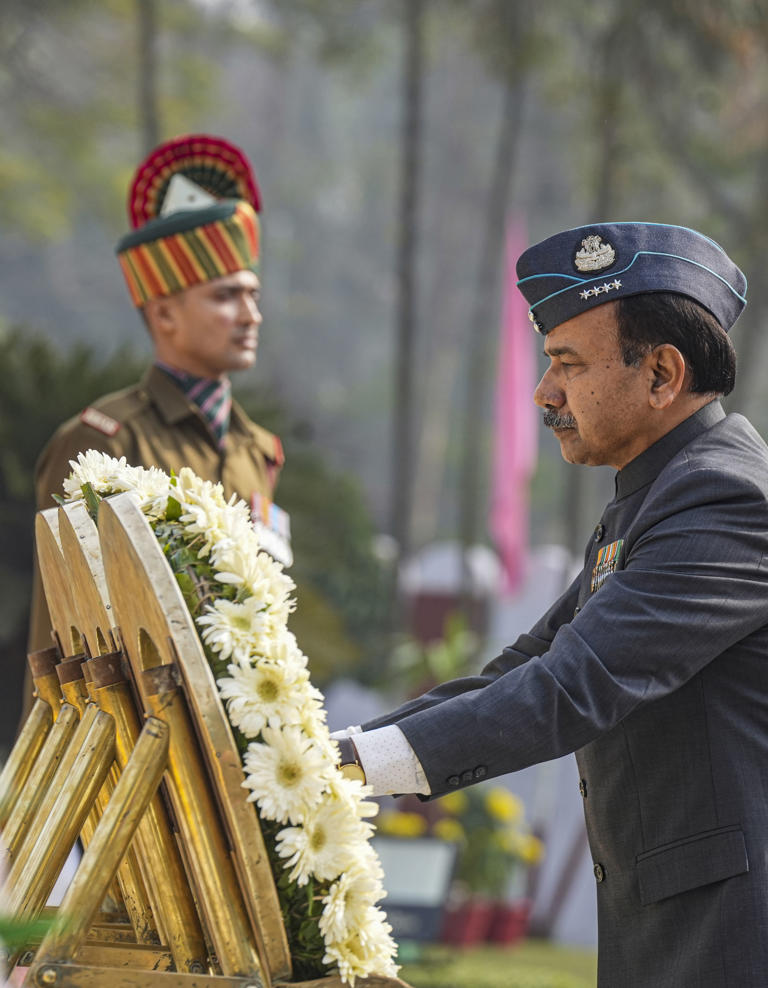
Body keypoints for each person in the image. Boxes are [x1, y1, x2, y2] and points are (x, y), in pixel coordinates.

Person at [335, 222, 768, 987]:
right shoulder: (655, 496)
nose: (546, 393)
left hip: (728, 942)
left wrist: (344, 769)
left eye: (567, 364)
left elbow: (567, 687)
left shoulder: (721, 499)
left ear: (662, 374)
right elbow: (521, 668)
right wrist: (328, 751)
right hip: (674, 931)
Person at [29, 134, 286, 657]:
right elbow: (63, 634)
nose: (250, 315)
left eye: (253, 295)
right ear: (164, 313)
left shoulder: (257, 449)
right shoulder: (100, 443)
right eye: (226, 296)